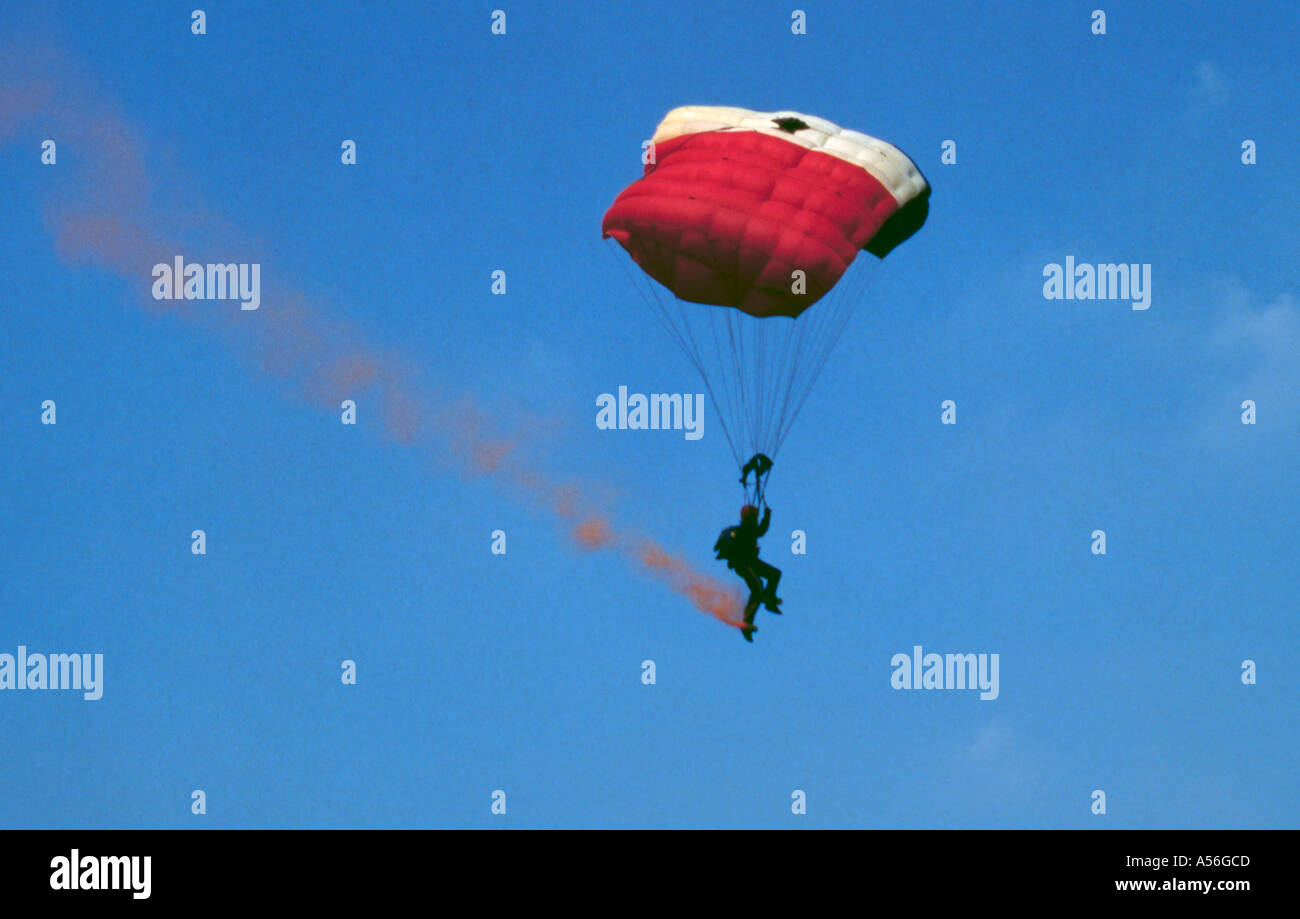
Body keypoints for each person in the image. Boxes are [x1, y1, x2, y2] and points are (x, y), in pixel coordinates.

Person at [714, 504, 783, 641]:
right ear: (751, 519)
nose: (756, 520)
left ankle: (770, 600)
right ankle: (747, 623)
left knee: (774, 574)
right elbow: (761, 530)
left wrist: (766, 514)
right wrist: (767, 514)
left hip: (752, 562)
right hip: (744, 565)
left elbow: (760, 530)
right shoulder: (746, 530)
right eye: (755, 517)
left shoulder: (747, 529)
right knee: (758, 590)